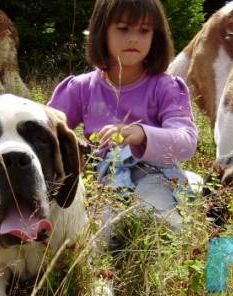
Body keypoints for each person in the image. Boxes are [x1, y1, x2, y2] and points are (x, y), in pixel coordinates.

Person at [48, 0, 199, 232]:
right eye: (123, 28)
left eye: (144, 30)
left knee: (160, 225)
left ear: (155, 36)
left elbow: (186, 143)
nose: (133, 38)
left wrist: (140, 133)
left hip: (154, 172)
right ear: (102, 31)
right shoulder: (80, 87)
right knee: (102, 234)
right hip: (102, 179)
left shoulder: (166, 87)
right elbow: (45, 130)